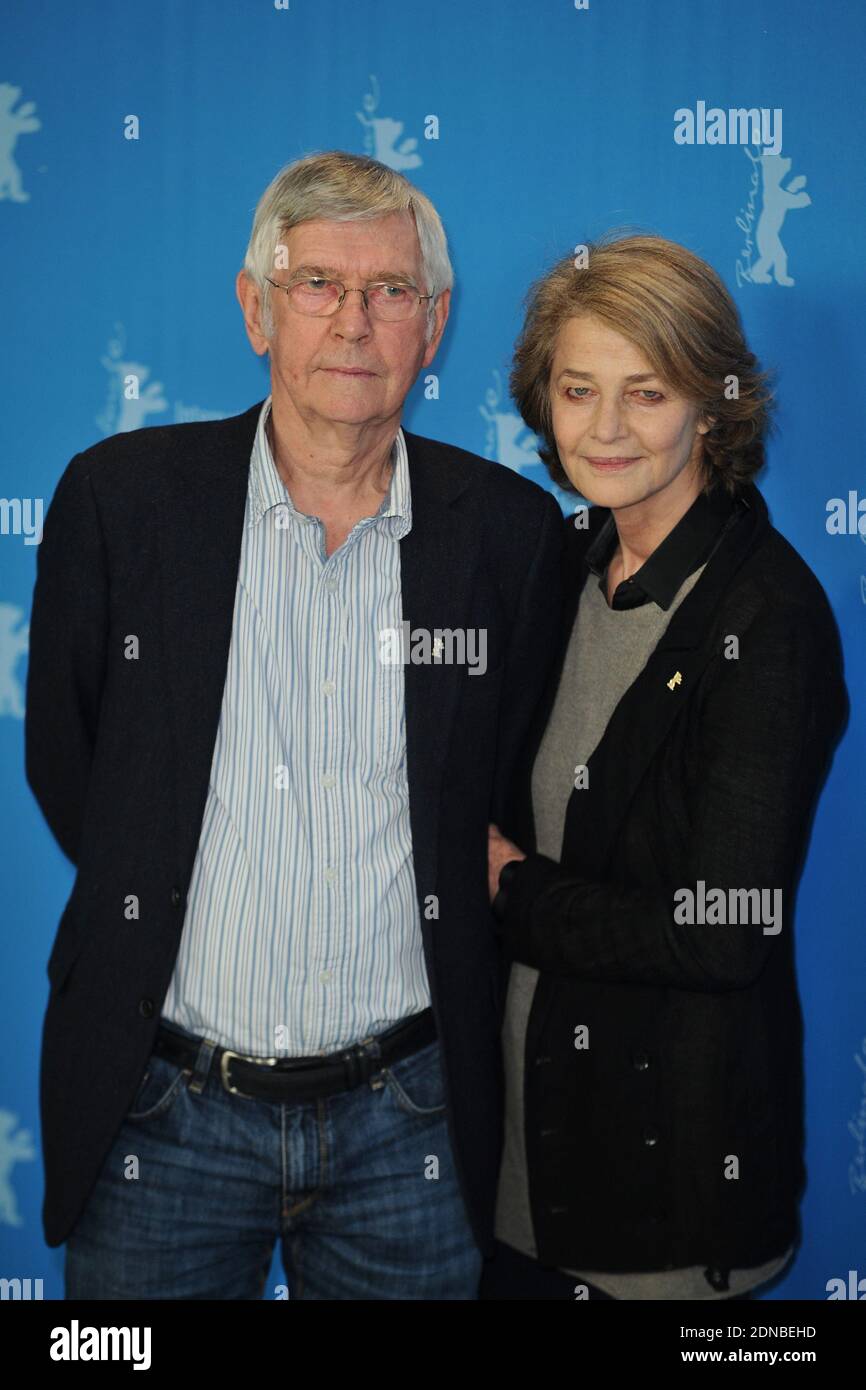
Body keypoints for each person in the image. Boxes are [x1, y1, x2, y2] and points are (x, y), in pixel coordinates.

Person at [25, 150, 564, 1299]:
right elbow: (74, 766)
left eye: (390, 292)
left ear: (434, 323)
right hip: (161, 1109)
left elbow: (510, 775)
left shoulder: (509, 536)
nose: (355, 322)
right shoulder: (120, 503)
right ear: (255, 307)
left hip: (408, 1121)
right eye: (318, 283)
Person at [479, 232, 848, 1300]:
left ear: (712, 403)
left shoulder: (765, 618)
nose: (602, 428)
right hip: (509, 1174)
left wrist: (511, 888)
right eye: (575, 388)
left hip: (660, 1207)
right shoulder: (557, 566)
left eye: (644, 393)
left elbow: (720, 930)